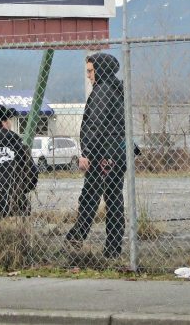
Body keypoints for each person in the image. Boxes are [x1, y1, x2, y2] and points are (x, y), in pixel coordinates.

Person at [66, 52, 128, 259]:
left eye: (91, 71)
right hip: (114, 153)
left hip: (103, 155)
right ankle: (112, 248)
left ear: (100, 70)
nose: (88, 75)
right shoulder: (114, 89)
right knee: (113, 199)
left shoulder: (102, 91)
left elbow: (95, 124)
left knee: (90, 198)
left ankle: (76, 239)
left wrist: (87, 153)